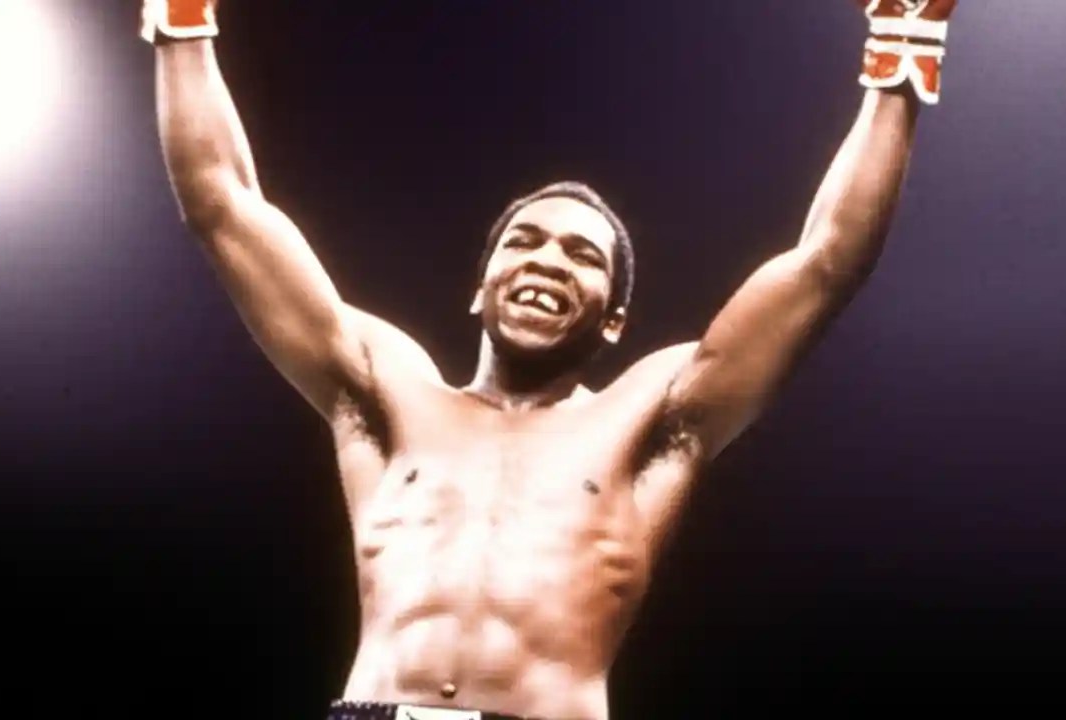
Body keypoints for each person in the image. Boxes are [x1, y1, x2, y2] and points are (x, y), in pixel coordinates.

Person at [142, 1, 958, 718]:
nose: (546, 260)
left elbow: (826, 263)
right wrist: (181, 15)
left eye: (582, 255)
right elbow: (223, 204)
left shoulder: (654, 412)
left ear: (613, 320)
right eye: (525, 241)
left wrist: (903, 44)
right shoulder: (383, 389)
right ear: (481, 285)